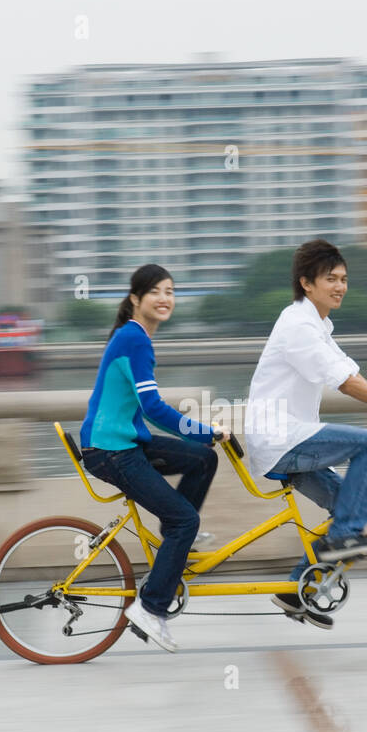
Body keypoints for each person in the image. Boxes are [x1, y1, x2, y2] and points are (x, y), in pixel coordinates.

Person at [245, 239, 367, 631]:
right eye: (330, 278)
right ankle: (345, 538)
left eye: (344, 279)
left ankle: (295, 588)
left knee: (347, 512)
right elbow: (346, 385)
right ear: (307, 283)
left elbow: (350, 373)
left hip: (290, 441)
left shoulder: (317, 325)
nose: (340, 286)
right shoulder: (298, 326)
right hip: (282, 440)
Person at [80, 264, 227, 653]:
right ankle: (150, 609)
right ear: (135, 299)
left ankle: (174, 539)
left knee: (202, 459)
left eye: (171, 291)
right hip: (111, 451)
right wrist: (204, 430)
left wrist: (203, 441)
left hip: (125, 442)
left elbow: (145, 412)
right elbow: (153, 408)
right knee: (186, 519)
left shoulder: (135, 336)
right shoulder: (135, 340)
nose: (165, 299)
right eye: (156, 292)